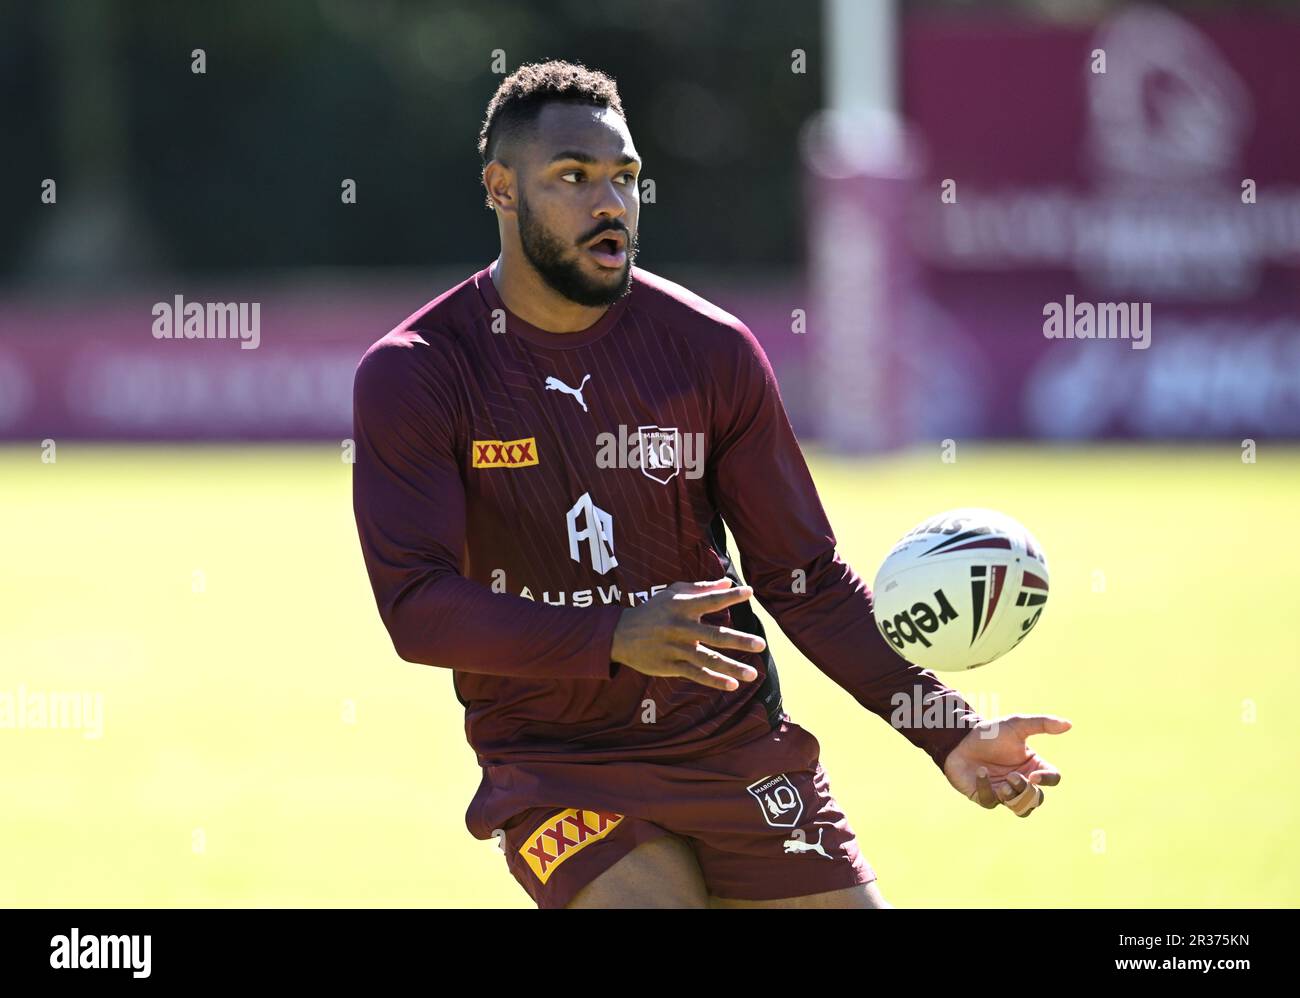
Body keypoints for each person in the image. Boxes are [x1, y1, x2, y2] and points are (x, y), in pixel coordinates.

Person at [351, 60, 1070, 909]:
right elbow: (418, 607)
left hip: (733, 749)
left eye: (624, 178)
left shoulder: (710, 350)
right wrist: (612, 634)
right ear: (501, 190)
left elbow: (802, 579)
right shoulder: (420, 373)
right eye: (573, 178)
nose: (609, 202)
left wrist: (946, 726)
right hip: (556, 765)